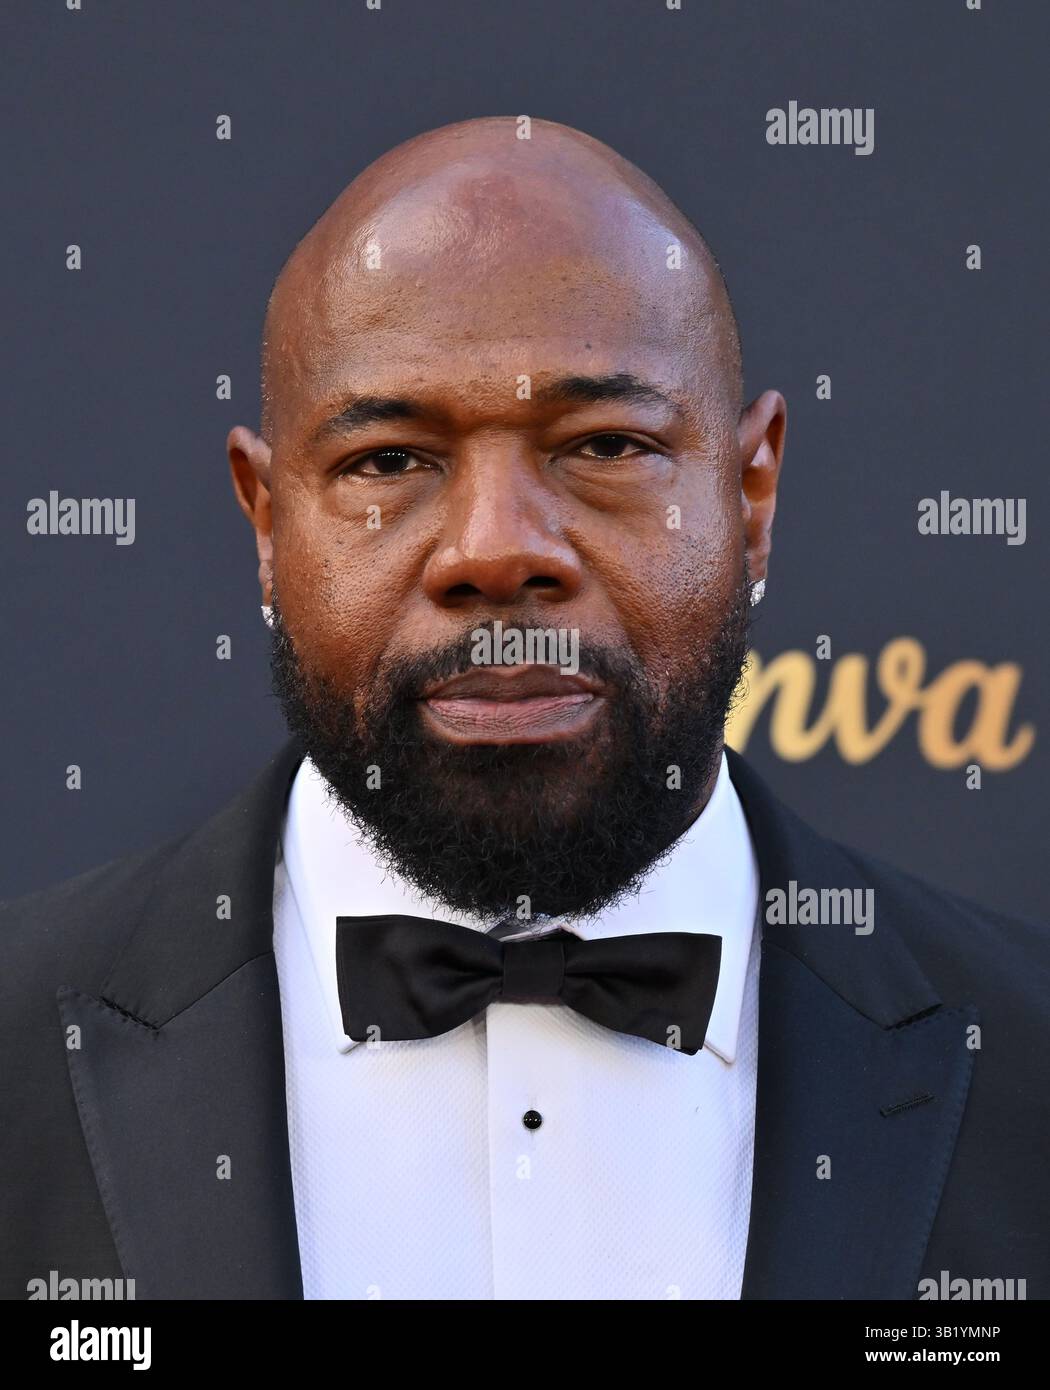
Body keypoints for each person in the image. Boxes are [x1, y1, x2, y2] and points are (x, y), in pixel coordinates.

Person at [2, 117, 1046, 1301]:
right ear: (265, 518)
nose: (497, 552)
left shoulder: (1022, 1059)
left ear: (751, 496)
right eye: (390, 461)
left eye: (605, 443)